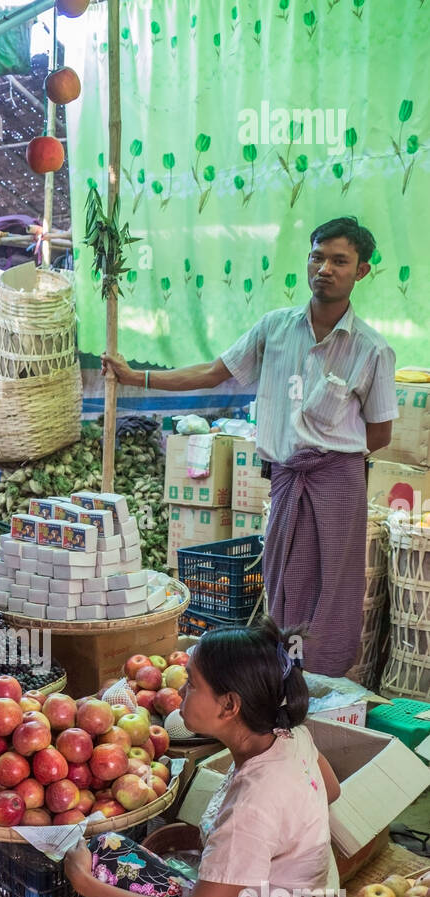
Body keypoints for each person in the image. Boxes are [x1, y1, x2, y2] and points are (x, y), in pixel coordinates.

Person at [101, 216, 398, 677]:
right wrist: (137, 376)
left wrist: (330, 453)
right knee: (284, 580)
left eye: (340, 261)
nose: (325, 268)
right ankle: (286, 674)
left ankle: (325, 681)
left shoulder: (372, 349)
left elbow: (379, 434)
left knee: (334, 588)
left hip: (339, 481)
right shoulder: (275, 328)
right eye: (317, 256)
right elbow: (213, 372)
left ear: (360, 272)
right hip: (285, 477)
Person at [58, 619, 341, 897]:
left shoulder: (253, 805)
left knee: (103, 866)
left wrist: (87, 886)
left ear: (229, 705)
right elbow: (329, 790)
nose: (183, 692)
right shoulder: (291, 738)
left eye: (192, 685)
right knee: (134, 879)